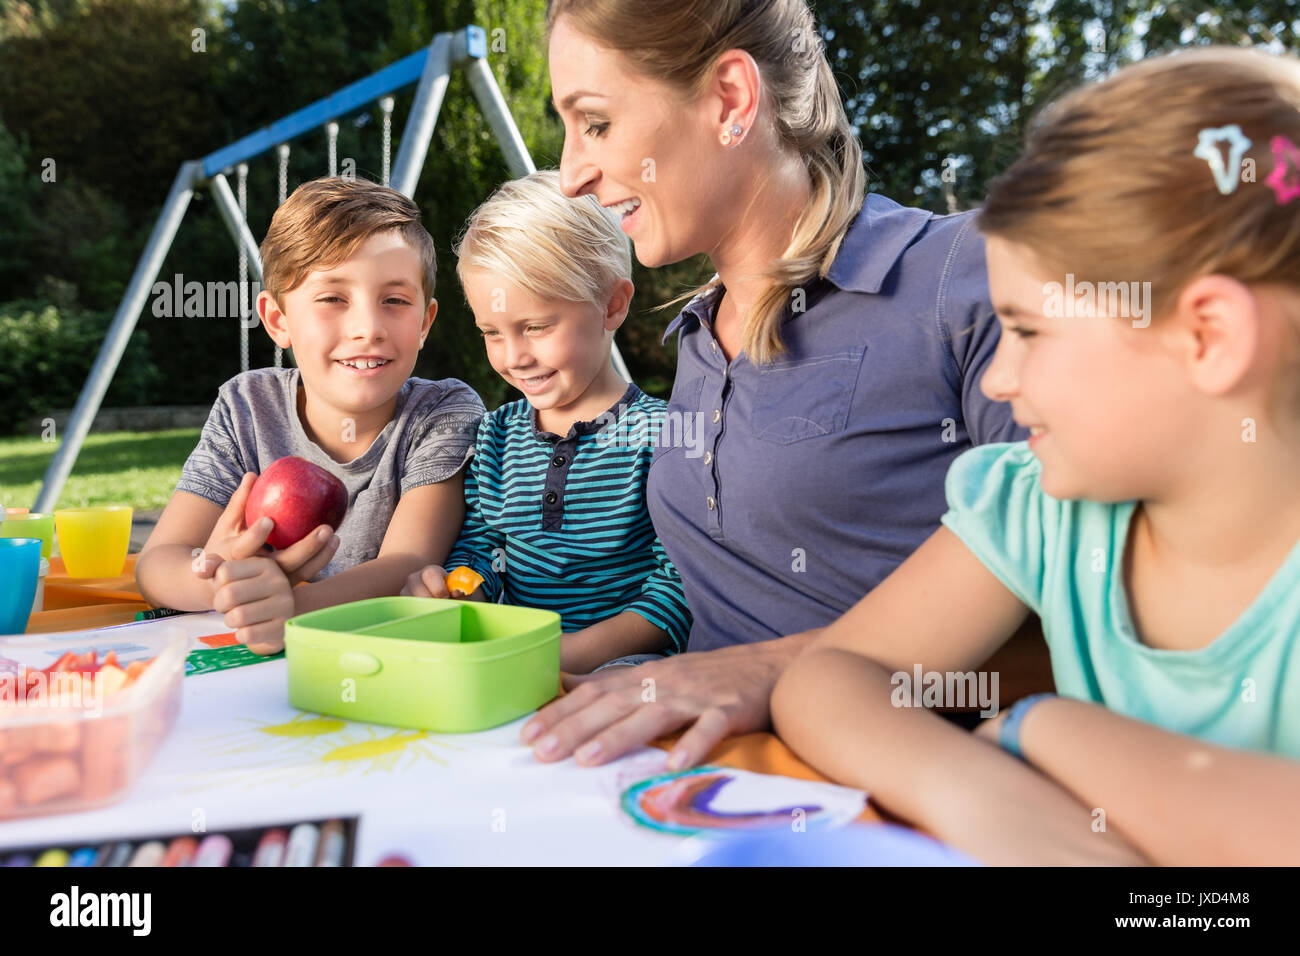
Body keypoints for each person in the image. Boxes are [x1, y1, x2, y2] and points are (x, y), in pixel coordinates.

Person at [772, 47, 1300, 865]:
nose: (998, 379)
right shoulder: (1042, 505)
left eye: (1028, 330)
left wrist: (1049, 728)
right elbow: (829, 675)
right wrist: (981, 796)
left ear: (1209, 337)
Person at [522, 0, 1021, 766]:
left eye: (596, 123)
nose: (569, 175)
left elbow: (1088, 620)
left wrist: (773, 673)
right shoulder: (693, 338)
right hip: (690, 780)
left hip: (892, 795)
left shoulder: (960, 275)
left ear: (730, 100)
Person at [136, 178, 485, 654]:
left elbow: (408, 561)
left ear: (424, 322)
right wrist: (226, 585)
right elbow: (158, 562)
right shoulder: (247, 405)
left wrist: (291, 611)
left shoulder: (444, 412)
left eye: (396, 301)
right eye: (333, 298)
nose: (368, 328)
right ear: (278, 320)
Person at [401, 171, 691, 673]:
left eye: (536, 327)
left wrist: (570, 655)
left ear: (612, 305)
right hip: (514, 656)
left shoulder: (662, 435)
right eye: (492, 332)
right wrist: (457, 590)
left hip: (627, 667)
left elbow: (678, 586)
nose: (515, 356)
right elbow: (483, 548)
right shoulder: (495, 436)